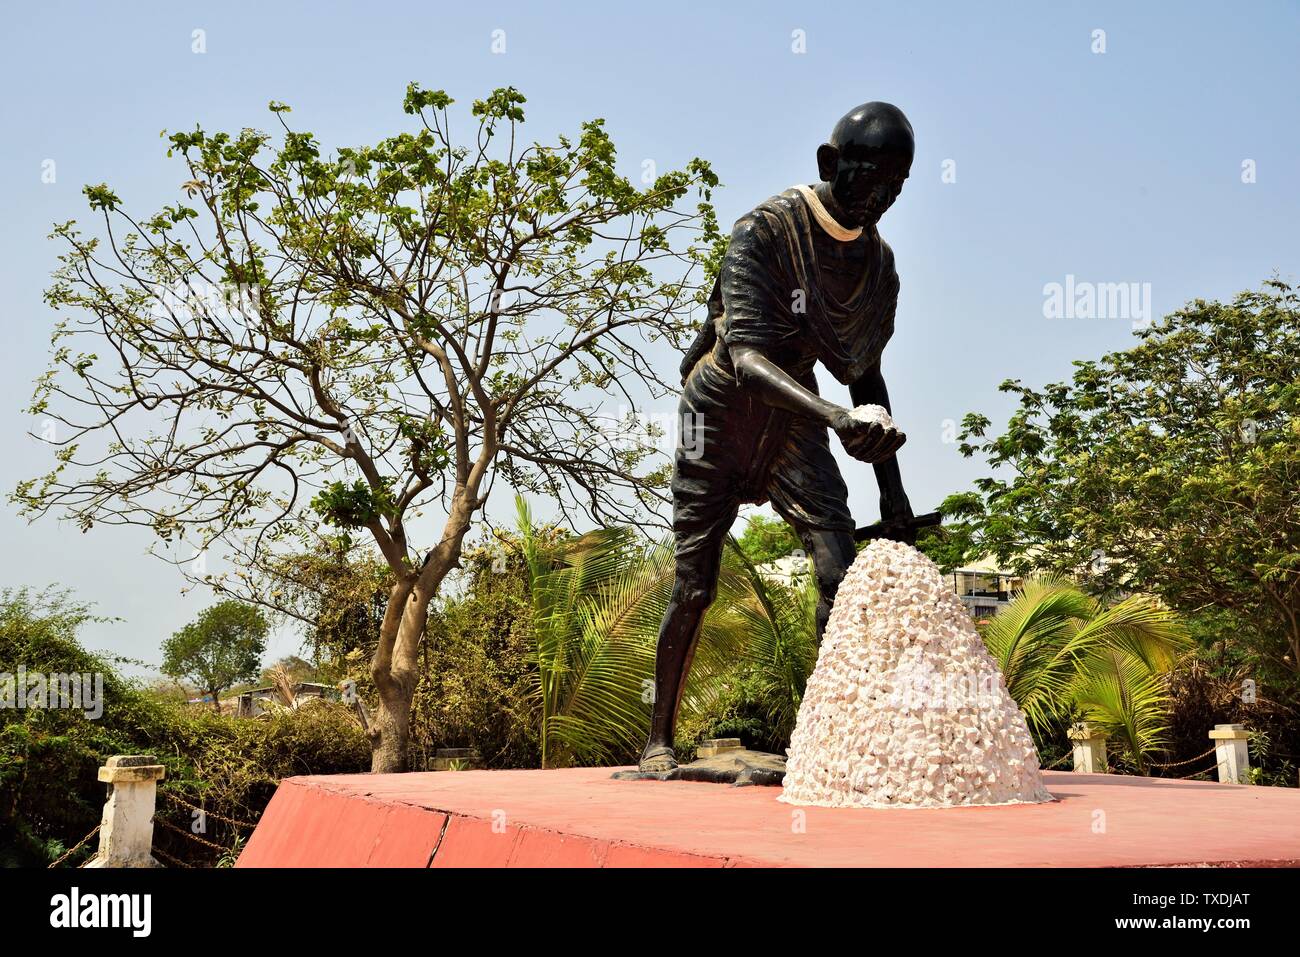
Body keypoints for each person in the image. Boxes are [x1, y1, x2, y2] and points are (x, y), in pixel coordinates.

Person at [640, 102, 918, 773]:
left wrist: (893, 492)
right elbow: (746, 358)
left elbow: (864, 374)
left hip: (794, 421)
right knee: (695, 584)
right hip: (720, 412)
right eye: (869, 181)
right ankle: (658, 738)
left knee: (837, 568)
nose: (879, 199)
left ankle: (822, 741)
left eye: (895, 187)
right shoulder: (766, 229)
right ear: (830, 164)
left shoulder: (878, 268)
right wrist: (835, 418)